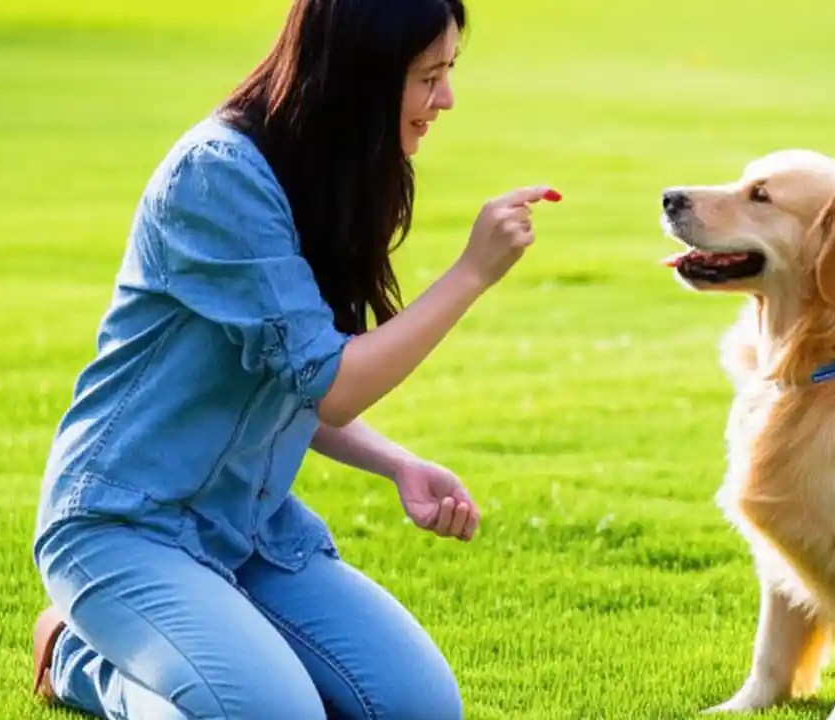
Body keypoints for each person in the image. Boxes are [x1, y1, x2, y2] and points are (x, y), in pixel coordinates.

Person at [29, 0, 559, 717]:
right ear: (361, 76)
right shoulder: (218, 176)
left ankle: (194, 648)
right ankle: (81, 660)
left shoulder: (326, 171)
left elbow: (293, 379)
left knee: (420, 709)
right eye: (429, 77)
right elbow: (331, 384)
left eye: (450, 72)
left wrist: (397, 463)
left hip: (247, 531)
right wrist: (470, 274)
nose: (446, 99)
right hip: (126, 525)